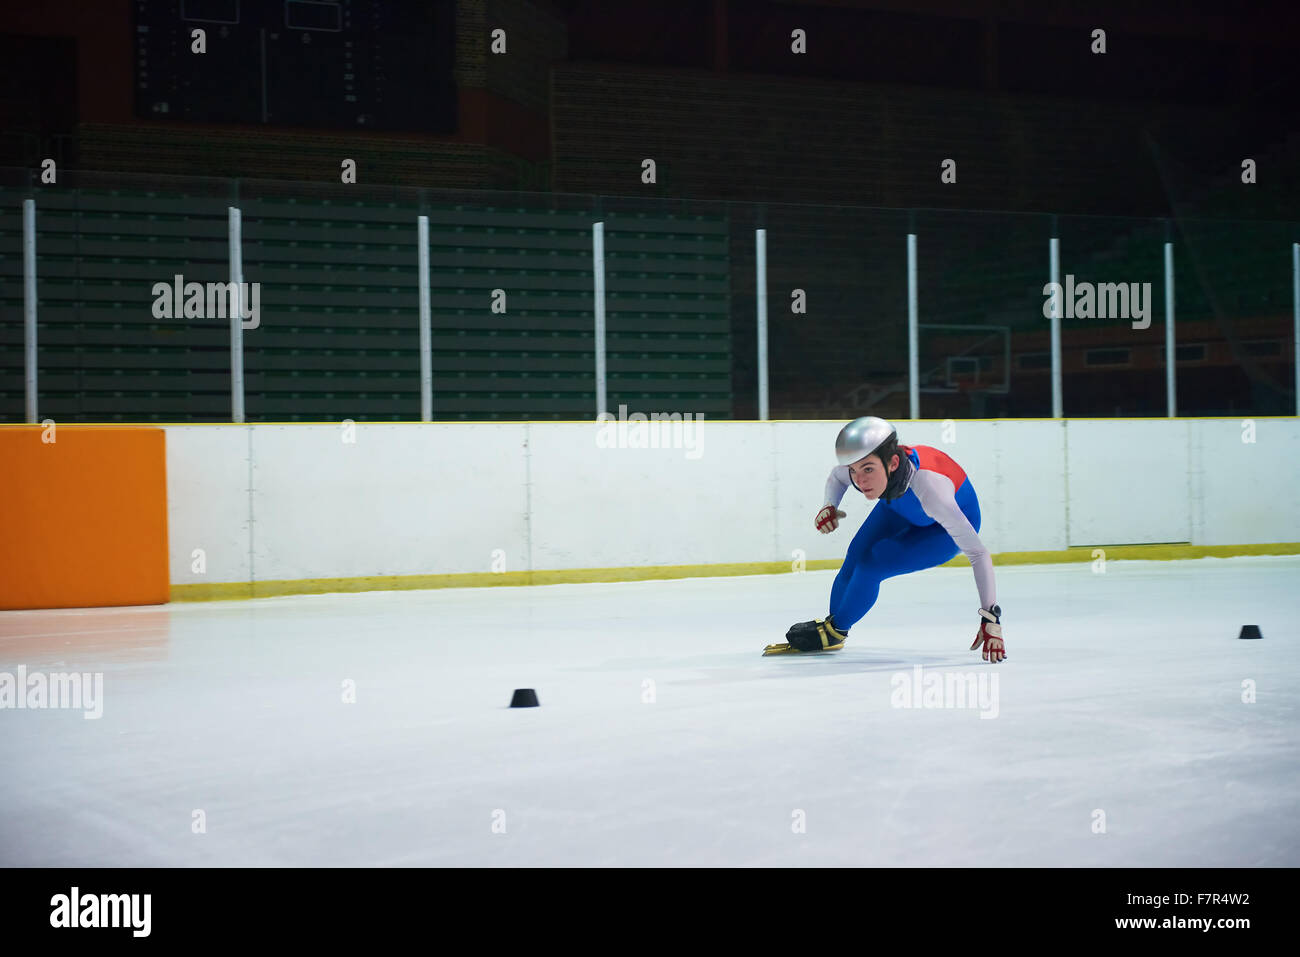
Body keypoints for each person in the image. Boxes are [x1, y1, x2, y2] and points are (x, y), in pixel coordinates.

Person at [777, 416, 1006, 662]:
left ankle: (837, 630)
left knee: (872, 565)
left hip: (941, 530)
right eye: (854, 470)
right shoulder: (870, 468)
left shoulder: (932, 490)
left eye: (867, 470)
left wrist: (990, 617)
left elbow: (978, 553)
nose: (860, 480)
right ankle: (833, 627)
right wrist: (829, 506)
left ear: (893, 462)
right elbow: (837, 477)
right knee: (856, 554)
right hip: (898, 506)